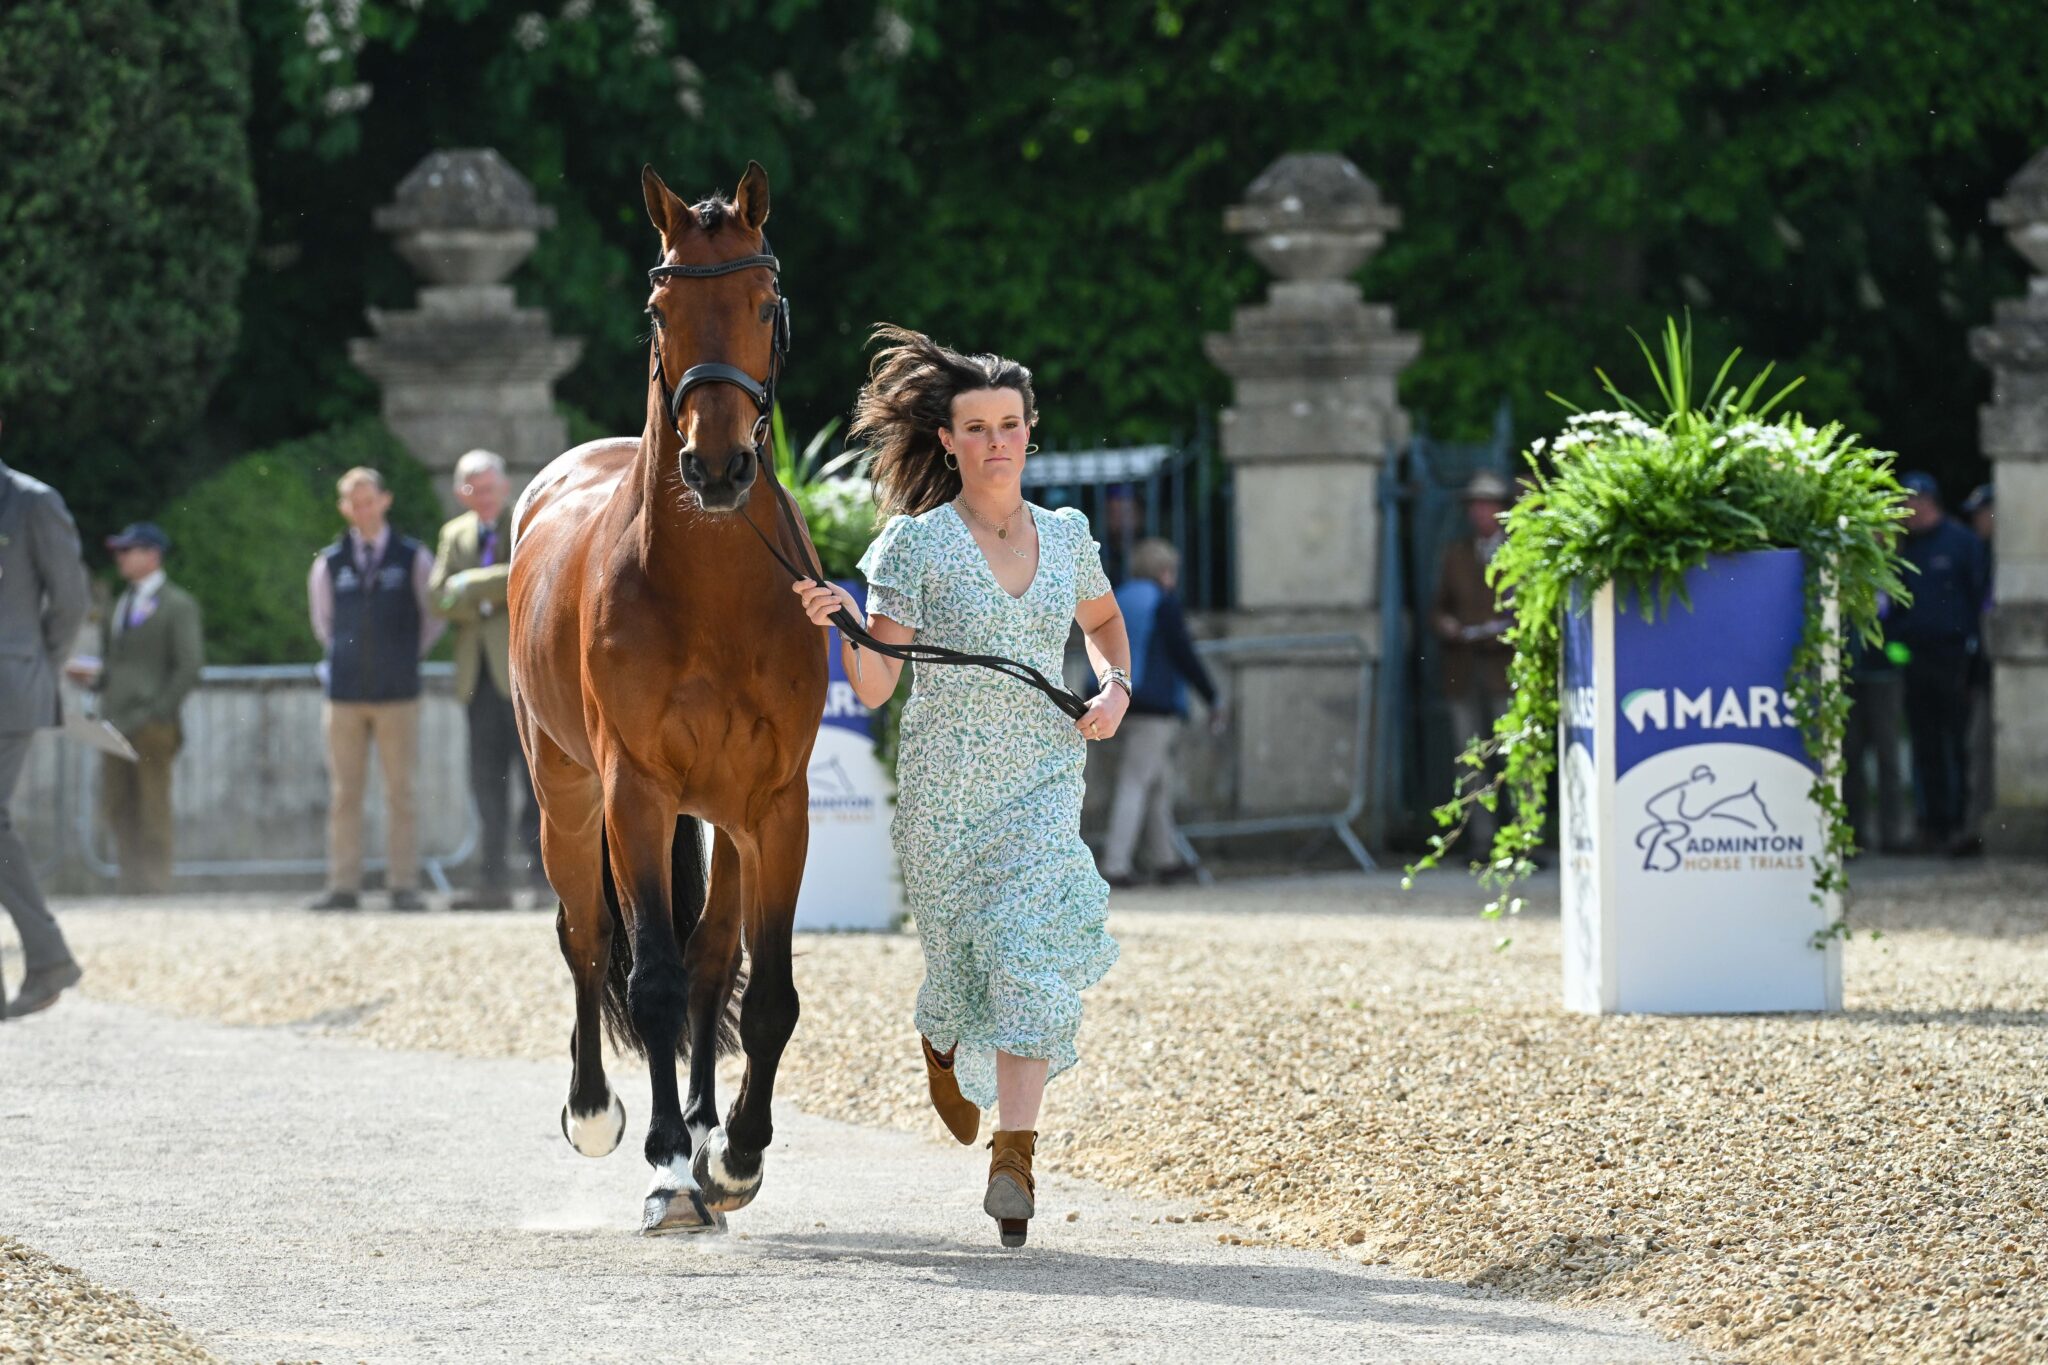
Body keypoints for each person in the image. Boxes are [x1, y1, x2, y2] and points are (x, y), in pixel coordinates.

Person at [794, 326, 1128, 1248]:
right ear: (947, 438)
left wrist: (1115, 687)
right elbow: (874, 687)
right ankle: (939, 1034)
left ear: (1030, 432)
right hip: (943, 793)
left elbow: (1104, 623)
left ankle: (1014, 1158)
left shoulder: (1065, 536)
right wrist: (848, 622)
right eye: (975, 427)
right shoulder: (917, 544)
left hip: (1043, 781)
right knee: (962, 968)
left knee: (1027, 959)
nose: (994, 442)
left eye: (1009, 425)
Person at [306, 467, 444, 911]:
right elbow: (323, 623)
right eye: (352, 502)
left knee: (400, 791)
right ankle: (343, 885)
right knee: (345, 794)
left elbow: (432, 617)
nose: (361, 509)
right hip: (344, 695)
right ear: (344, 508)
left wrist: (404, 657)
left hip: (398, 694)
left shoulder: (412, 557)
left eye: (368, 499)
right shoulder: (328, 562)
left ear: (385, 500)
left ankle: (403, 884)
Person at [0, 416, 90, 1018]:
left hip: (10, 687)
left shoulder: (32, 502)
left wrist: (37, 661)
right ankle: (48, 955)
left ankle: (50, 954)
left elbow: (71, 598)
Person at [63, 523, 204, 894]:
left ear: (153, 554)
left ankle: (155, 886)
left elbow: (189, 665)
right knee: (118, 805)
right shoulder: (121, 603)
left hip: (152, 724)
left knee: (152, 807)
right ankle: (131, 884)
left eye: (129, 550)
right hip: (116, 721)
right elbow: (115, 662)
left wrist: (160, 710)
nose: (121, 558)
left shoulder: (177, 604)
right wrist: (93, 679)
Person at [430, 450, 540, 910]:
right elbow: (438, 597)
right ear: (462, 493)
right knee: (485, 780)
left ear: (506, 487)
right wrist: (491, 597)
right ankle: (491, 880)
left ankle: (542, 879)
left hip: (523, 674)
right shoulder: (453, 534)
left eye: (492, 487)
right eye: (475, 489)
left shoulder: (528, 522)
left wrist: (471, 586)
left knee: (537, 780)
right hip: (477, 677)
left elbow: (525, 574)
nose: (485, 496)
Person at [1099, 537, 1221, 889]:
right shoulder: (1163, 604)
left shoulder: (1119, 596)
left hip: (1116, 701)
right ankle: (1116, 864)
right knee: (1136, 782)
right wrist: (1212, 698)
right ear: (1165, 572)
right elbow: (1184, 655)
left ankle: (1166, 859)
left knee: (1157, 783)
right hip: (1154, 706)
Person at [1889, 472, 1989, 856]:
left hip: (1954, 658)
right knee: (1924, 745)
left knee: (1958, 745)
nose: (1906, 511)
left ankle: (1960, 825)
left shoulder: (1961, 542)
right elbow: (1894, 605)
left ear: (1929, 502)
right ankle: (1930, 824)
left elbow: (1978, 599)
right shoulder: (1904, 548)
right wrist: (1898, 644)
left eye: (1911, 503)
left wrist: (1973, 654)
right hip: (1916, 658)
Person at [1432, 471, 1516, 850]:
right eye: (1476, 506)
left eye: (1489, 505)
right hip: (1464, 668)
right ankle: (1482, 841)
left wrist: (1500, 630)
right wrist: (1447, 624)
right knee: (1470, 759)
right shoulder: (1457, 554)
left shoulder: (1519, 553)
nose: (1481, 512)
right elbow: (1438, 606)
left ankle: (1521, 839)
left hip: (1505, 669)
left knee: (1515, 758)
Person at [1960, 484, 1995, 846]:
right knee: (1977, 749)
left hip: (1995, 672)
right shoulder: (1983, 556)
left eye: (1982, 513)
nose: (1977, 521)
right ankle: (1978, 827)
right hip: (1984, 672)